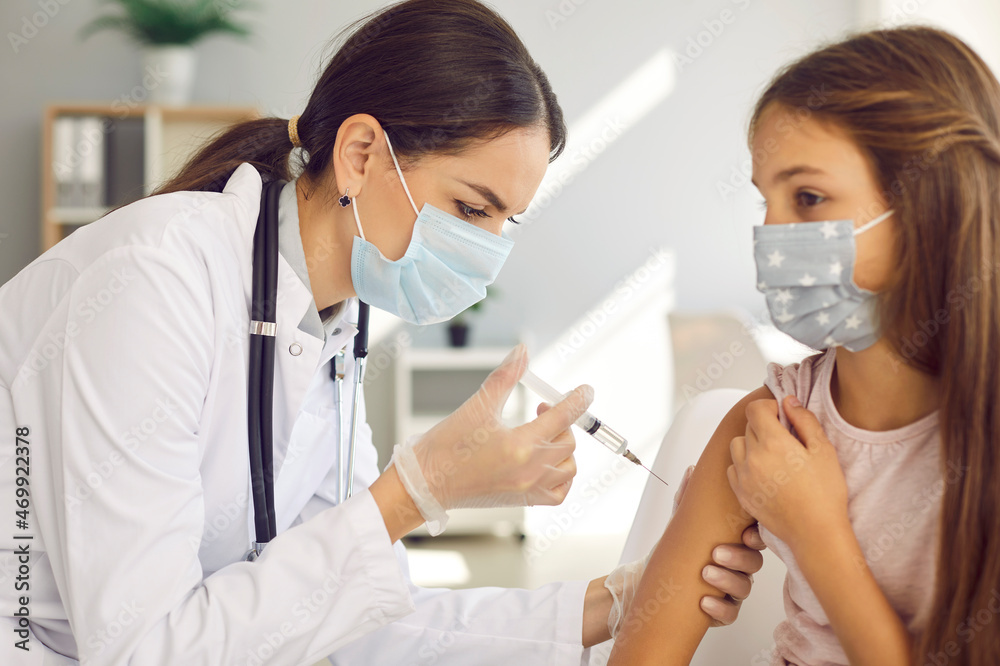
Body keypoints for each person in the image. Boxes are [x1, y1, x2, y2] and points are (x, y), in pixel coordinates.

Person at [0, 1, 765, 663]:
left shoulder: (328, 329)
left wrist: (622, 600)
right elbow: (145, 652)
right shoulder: (154, 280)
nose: (488, 252)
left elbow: (374, 628)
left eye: (506, 223)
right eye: (472, 209)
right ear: (362, 154)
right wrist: (418, 491)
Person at [608, 25, 1000, 666]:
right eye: (767, 201)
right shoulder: (770, 428)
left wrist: (814, 529)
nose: (771, 236)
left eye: (809, 197)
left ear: (934, 203)